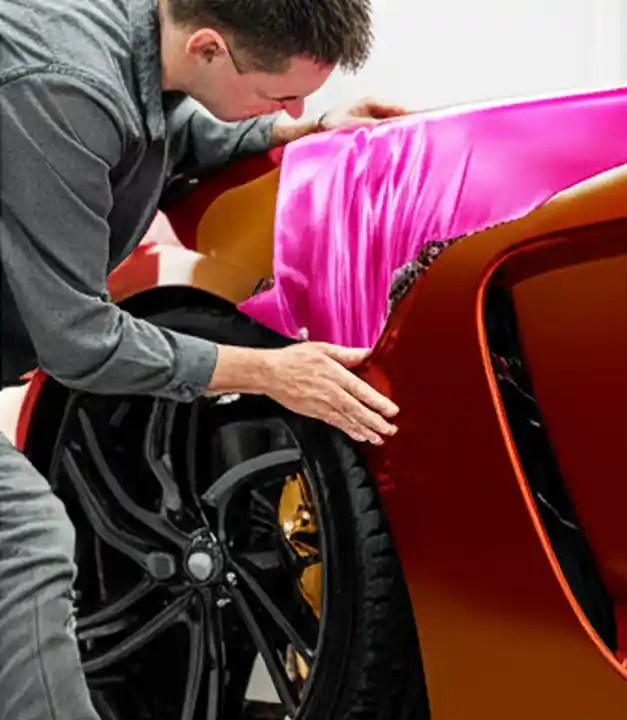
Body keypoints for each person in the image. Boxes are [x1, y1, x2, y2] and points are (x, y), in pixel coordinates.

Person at [0, 0, 407, 717]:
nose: (296, 106)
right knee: (26, 539)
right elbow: (79, 343)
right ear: (211, 48)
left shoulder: (141, 36)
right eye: (280, 93)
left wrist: (295, 129)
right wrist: (270, 372)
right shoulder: (61, 86)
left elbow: (165, 130)